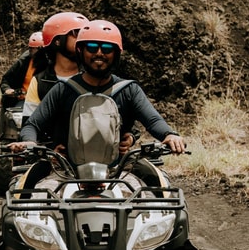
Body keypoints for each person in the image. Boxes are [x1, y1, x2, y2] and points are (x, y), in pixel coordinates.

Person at [10, 19, 185, 157]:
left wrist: (169, 135)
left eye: (107, 48)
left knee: (160, 190)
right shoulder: (62, 89)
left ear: (116, 54)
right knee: (27, 195)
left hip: (118, 169)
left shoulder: (129, 89)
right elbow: (32, 124)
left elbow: (153, 121)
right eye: (92, 47)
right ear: (81, 51)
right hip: (65, 169)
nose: (99, 53)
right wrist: (30, 142)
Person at [21, 12, 89, 119]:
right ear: (58, 41)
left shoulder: (93, 77)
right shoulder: (40, 82)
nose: (83, 39)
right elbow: (29, 124)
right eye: (77, 33)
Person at [0, 30, 44, 106]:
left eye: (34, 48)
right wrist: (8, 90)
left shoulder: (51, 63)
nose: (31, 51)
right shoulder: (23, 61)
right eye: (30, 48)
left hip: (42, 101)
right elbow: (6, 80)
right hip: (23, 101)